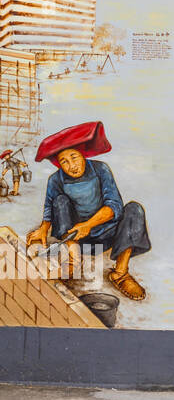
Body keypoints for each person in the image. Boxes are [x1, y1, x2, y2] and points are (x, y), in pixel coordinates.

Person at [24, 122, 150, 301]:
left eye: (74, 157)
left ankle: (120, 274)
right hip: (76, 239)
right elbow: (50, 206)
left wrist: (88, 224)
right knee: (60, 201)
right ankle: (73, 261)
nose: (71, 165)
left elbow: (114, 206)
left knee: (134, 209)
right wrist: (43, 228)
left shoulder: (101, 170)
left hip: (107, 234)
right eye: (64, 161)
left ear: (83, 154)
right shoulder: (55, 179)